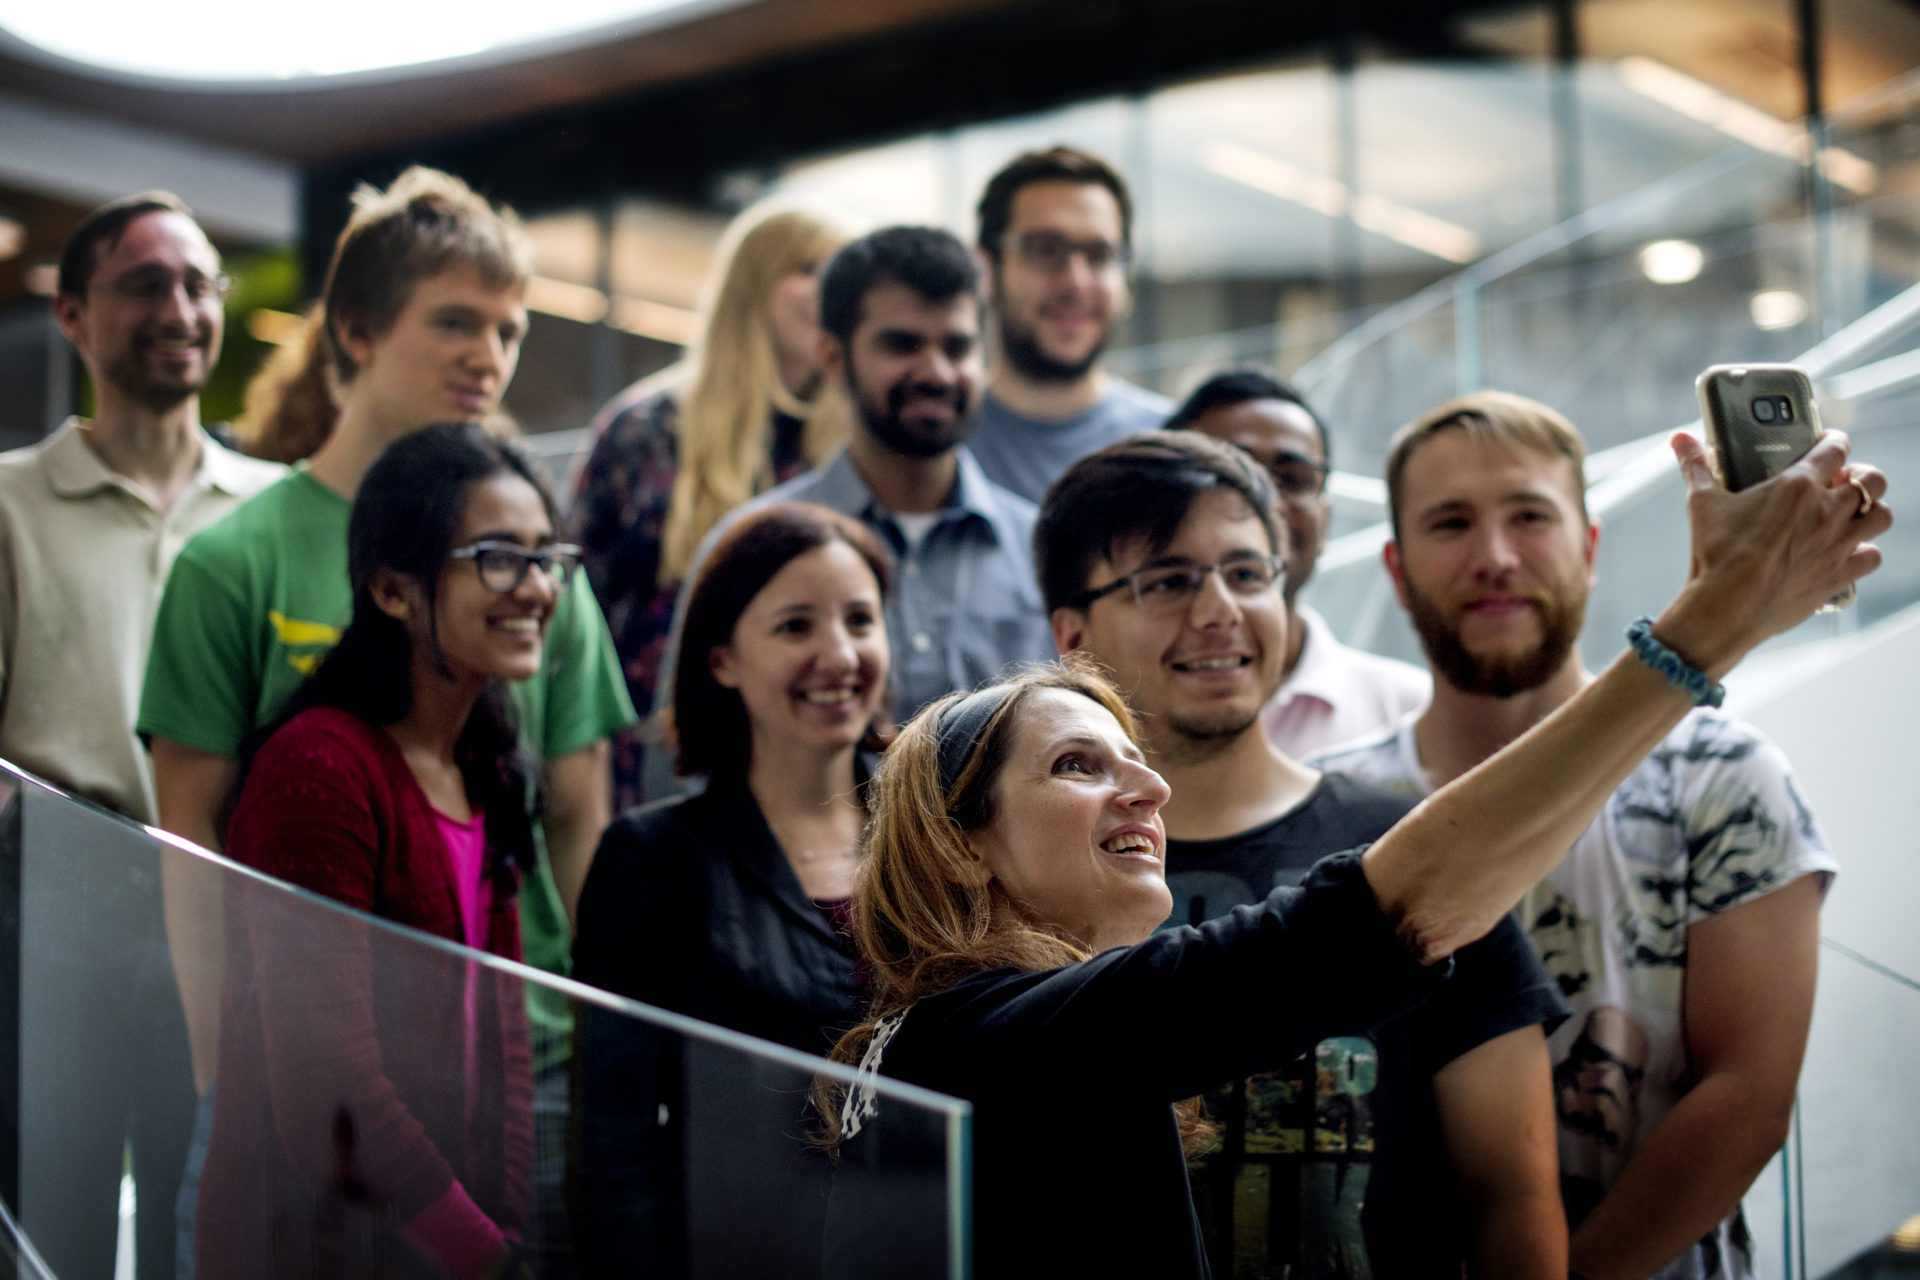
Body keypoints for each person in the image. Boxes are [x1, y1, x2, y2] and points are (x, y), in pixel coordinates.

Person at [819, 425, 1886, 1280]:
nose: (1144, 783)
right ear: (959, 849)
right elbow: (1352, 926)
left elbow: (1515, 1192)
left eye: (1249, 570)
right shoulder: (987, 1037)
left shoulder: (944, 1037)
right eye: (1075, 767)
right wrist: (1707, 626)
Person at [138, 166, 633, 1270]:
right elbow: (193, 846)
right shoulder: (233, 558)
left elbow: (577, 819)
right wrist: (236, 1072)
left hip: (525, 1059)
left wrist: (579, 1040)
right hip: (312, 1064)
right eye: (455, 320)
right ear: (354, 329)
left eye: (509, 329)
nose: (490, 355)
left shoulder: (547, 578)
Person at [1312, 391, 1851, 1280]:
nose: (1494, 556)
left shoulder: (1721, 774)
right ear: (1398, 570)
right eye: (1450, 523)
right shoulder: (1336, 799)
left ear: (1590, 549)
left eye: (1530, 515)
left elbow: (1748, 1095)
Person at [1036, 431, 1568, 1276]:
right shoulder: (1032, 882)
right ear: (1073, 634)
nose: (1220, 610)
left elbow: (1514, 1197)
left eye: (1248, 574)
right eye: (1169, 580)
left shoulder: (1410, 851)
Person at [0, 191, 282, 1280]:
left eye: (199, 282)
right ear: (71, 314)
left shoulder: (270, 507)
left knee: (198, 1212)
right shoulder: (11, 500)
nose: (181, 305)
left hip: (222, 903)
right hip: (54, 903)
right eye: (145, 282)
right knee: (50, 1220)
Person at [198, 423, 557, 1279]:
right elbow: (327, 1078)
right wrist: (479, 1252)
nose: (538, 587)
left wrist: (499, 1230)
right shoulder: (320, 765)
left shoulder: (483, 765)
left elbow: (504, 1039)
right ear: (393, 590)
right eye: (501, 556)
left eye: (548, 556)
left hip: (442, 1243)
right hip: (313, 1243)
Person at [573, 502, 890, 1275]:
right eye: (795, 627)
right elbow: (614, 1144)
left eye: (860, 619)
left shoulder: (946, 836)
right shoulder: (653, 858)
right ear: (721, 661)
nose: (839, 655)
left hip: (917, 1239)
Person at [668, 224, 1052, 733]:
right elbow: (689, 761)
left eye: (958, 347)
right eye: (902, 345)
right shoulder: (749, 550)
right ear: (832, 357)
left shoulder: (1045, 551)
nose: (935, 372)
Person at [572, 204, 851, 810]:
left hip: (803, 759)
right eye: (807, 269)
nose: (829, 289)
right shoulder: (644, 429)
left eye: (841, 274)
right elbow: (580, 613)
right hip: (653, 758)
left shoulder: (854, 447)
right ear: (753, 284)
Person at [1169, 367, 1429, 756]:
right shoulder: (1105, 725)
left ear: (1325, 518)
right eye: (1231, 475)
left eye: (1293, 478)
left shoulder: (1410, 717)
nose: (1266, 502)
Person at [965, 145, 1171, 504]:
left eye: (1099, 255)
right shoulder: (935, 451)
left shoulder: (1175, 445)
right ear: (986, 270)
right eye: (1045, 250)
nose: (1076, 282)